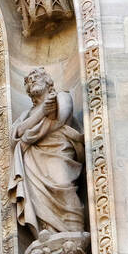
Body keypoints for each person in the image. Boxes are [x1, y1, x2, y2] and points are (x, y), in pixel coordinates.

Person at [8, 67, 85, 236]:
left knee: (63, 184)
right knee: (38, 199)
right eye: (29, 80)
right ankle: (48, 232)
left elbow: (61, 118)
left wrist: (33, 131)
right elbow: (18, 132)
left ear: (48, 82)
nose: (32, 81)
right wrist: (43, 112)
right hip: (33, 161)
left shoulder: (61, 96)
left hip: (58, 151)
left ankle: (74, 230)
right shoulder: (27, 113)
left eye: (36, 77)